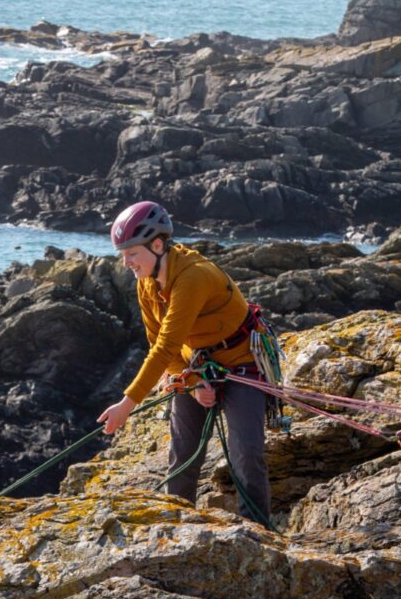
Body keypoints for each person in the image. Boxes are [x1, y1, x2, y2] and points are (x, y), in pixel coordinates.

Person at [96, 201, 272, 523]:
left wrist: (126, 405)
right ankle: (175, 524)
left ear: (158, 245)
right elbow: (162, 348)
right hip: (196, 363)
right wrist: (190, 384)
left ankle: (260, 531)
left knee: (246, 454)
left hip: (242, 361)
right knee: (182, 456)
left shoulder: (192, 277)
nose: (126, 263)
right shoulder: (146, 283)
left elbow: (164, 347)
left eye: (132, 253)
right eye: (123, 255)